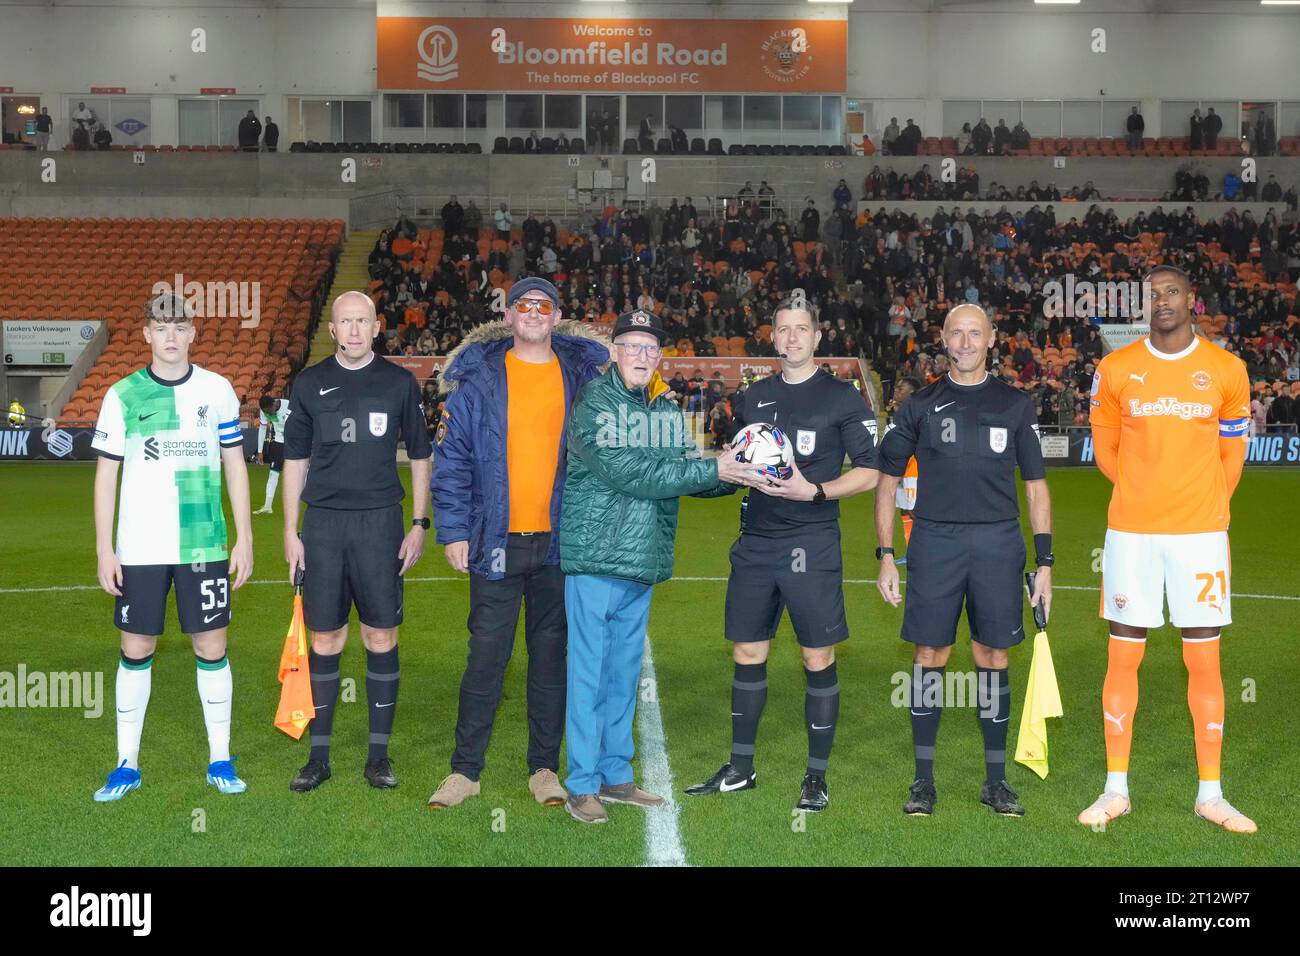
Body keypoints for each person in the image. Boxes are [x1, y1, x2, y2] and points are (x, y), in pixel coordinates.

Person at [1079, 265, 1256, 834]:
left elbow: (1233, 456)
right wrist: (1141, 491)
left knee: (1203, 657)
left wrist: (1202, 505)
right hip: (1130, 533)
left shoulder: (1227, 370)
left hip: (1201, 536)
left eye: (1171, 292)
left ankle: (1211, 794)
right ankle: (1115, 789)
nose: (1162, 302)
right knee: (1123, 654)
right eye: (1152, 294)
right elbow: (1105, 445)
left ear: (1191, 300)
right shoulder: (1116, 369)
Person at [685, 298, 879, 813]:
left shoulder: (843, 398)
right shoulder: (753, 398)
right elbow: (737, 465)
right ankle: (740, 768)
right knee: (748, 652)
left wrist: (813, 491)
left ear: (818, 338)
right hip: (755, 543)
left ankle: (816, 777)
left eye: (802, 330)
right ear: (773, 338)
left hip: (811, 542)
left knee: (818, 655)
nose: (792, 338)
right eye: (783, 330)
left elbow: (870, 470)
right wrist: (707, 473)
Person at [559, 309, 753, 824]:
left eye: (651, 348)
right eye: (633, 346)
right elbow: (630, 472)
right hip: (597, 555)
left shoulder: (666, 408)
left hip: (640, 557)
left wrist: (737, 471)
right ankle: (580, 783)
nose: (643, 356)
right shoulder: (595, 401)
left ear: (659, 357)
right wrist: (710, 466)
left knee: (622, 675)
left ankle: (616, 775)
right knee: (588, 676)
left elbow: (684, 471)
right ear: (614, 352)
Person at [428, 276, 609, 811]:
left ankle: (544, 768)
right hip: (495, 541)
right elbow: (452, 462)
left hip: (559, 543)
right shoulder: (480, 379)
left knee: (550, 658)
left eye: (544, 305)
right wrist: (455, 531)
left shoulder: (579, 377)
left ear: (556, 316)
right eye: (524, 304)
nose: (533, 312)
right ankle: (465, 771)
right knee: (486, 657)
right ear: (508, 315)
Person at [875, 303, 1053, 818]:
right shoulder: (919, 404)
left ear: (992, 338)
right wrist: (887, 555)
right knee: (929, 656)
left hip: (999, 544)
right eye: (958, 333)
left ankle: (996, 782)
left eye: (976, 333)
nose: (967, 342)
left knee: (992, 657)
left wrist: (1045, 563)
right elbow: (886, 480)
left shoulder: (1016, 405)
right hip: (934, 542)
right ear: (945, 340)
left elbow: (1037, 488)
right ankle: (923, 781)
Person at [90, 292, 253, 801]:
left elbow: (234, 463)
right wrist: (104, 548)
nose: (171, 336)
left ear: (192, 333)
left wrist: (244, 537)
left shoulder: (217, 390)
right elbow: (105, 477)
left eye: (180, 327)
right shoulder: (122, 395)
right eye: (161, 327)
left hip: (202, 541)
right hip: (138, 546)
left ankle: (220, 760)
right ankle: (126, 763)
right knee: (136, 647)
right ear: (146, 334)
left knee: (212, 645)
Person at [280, 291, 433, 793]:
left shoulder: (398, 383)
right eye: (344, 321)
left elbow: (420, 456)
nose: (352, 329)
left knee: (380, 637)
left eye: (361, 321)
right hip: (323, 526)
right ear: (332, 329)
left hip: (380, 524)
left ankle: (378, 757)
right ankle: (318, 759)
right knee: (325, 638)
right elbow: (295, 461)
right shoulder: (309, 382)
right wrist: (290, 531)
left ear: (375, 328)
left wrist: (419, 522)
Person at [254, 393, 291, 514]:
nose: (268, 414)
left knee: (302, 472)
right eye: (265, 412)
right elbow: (263, 428)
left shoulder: (289, 406)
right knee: (273, 473)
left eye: (269, 411)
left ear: (274, 404)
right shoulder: (264, 411)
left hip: (295, 442)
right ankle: (267, 506)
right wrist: (260, 451)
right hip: (279, 441)